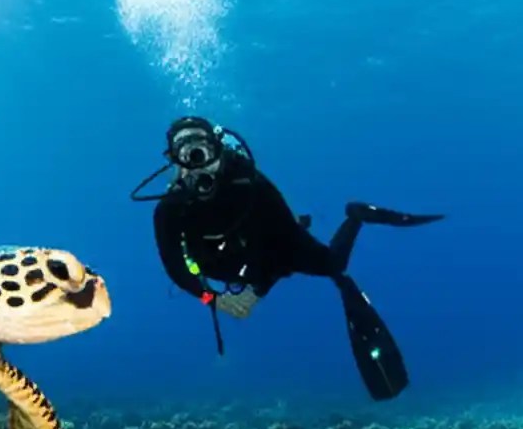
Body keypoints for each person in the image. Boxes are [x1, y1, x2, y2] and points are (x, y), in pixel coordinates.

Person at [130, 116, 444, 401]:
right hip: (223, 266)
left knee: (335, 265)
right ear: (174, 162)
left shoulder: (249, 182)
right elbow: (175, 268)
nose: (197, 161)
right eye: (186, 153)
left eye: (203, 150)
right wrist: (213, 299)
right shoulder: (169, 210)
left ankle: (356, 215)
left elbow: (286, 241)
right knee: (238, 273)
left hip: (274, 245)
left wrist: (259, 290)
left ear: (218, 150)